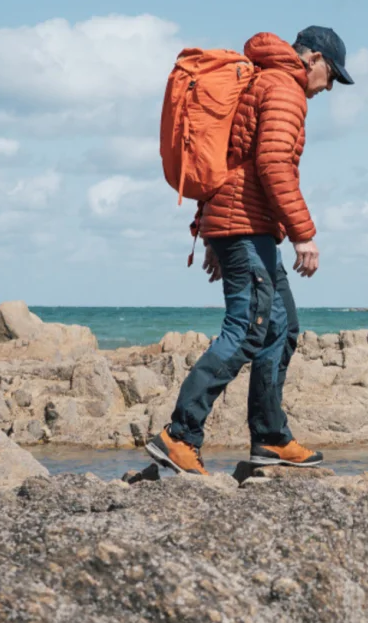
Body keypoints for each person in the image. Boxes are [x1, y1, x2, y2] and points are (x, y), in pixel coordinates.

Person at [146, 26, 352, 475]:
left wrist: (211, 232)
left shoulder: (264, 78)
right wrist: (303, 232)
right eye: (333, 75)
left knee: (281, 326)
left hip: (240, 223)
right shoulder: (284, 86)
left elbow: (228, 157)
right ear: (314, 59)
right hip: (246, 225)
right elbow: (271, 162)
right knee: (247, 329)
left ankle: (271, 438)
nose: (330, 87)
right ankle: (179, 435)